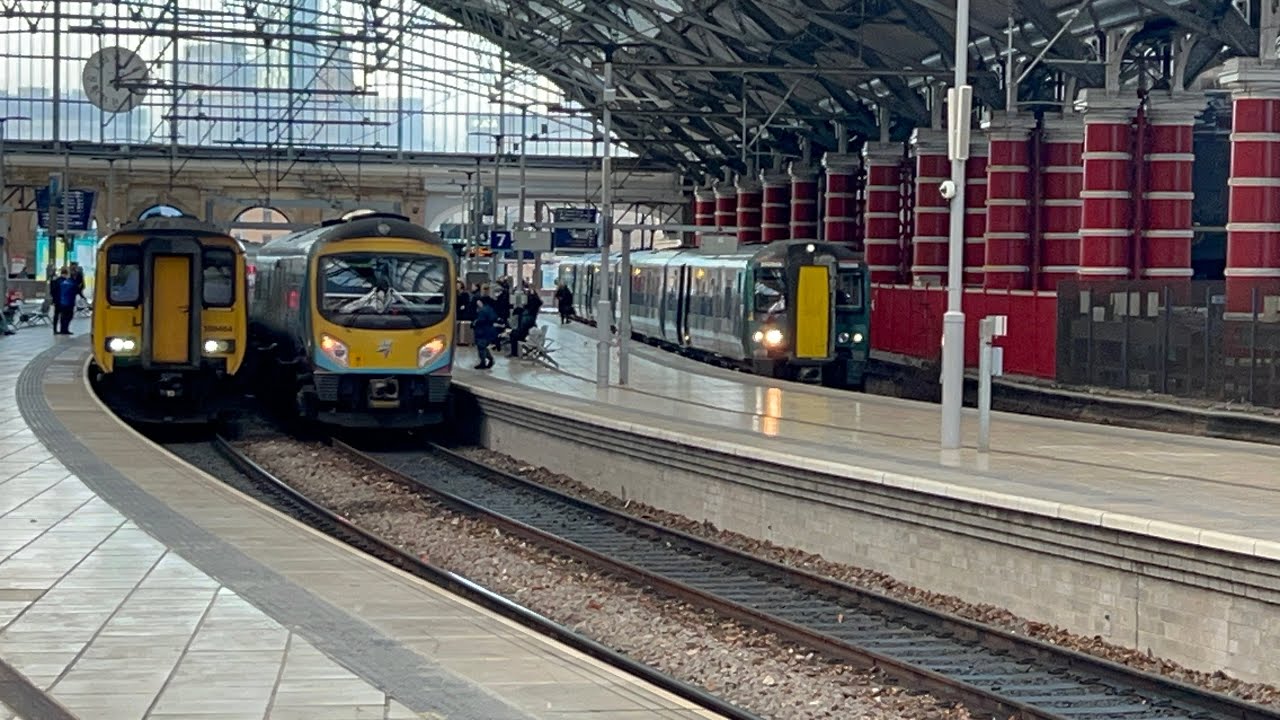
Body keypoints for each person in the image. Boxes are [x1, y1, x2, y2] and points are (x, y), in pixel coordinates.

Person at [508, 287, 543, 357]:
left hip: (525, 332)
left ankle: (514, 353)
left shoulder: (527, 314)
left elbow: (522, 328)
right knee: (514, 332)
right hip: (529, 330)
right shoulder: (531, 312)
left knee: (513, 334)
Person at [472, 296, 498, 370]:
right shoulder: (490, 308)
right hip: (489, 330)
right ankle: (489, 360)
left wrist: (475, 323)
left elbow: (480, 321)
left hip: (482, 331)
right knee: (483, 346)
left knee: (481, 347)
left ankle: (484, 361)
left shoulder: (482, 310)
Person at [51, 267, 77, 335]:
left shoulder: (56, 281)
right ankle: (64, 329)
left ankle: (55, 330)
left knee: (57, 315)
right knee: (66, 316)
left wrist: (54, 299)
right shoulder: (68, 282)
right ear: (66, 273)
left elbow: (52, 291)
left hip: (58, 301)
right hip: (66, 302)